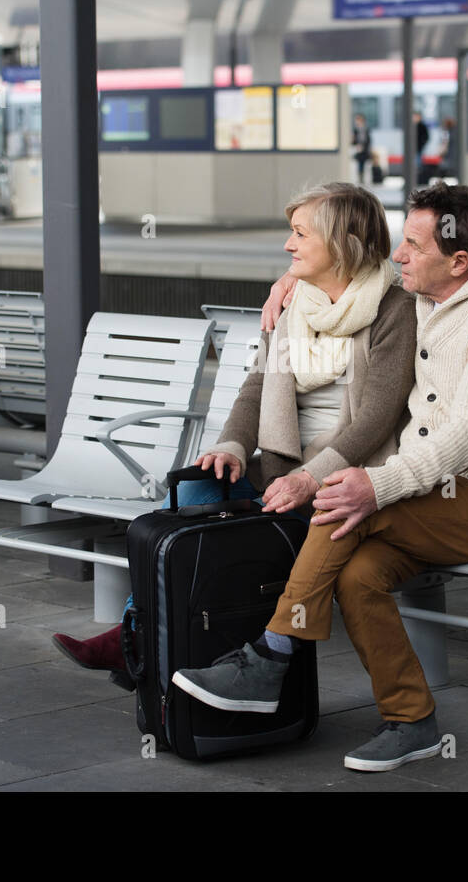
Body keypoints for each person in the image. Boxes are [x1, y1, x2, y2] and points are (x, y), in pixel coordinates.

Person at [173, 184, 468, 773]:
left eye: (412, 245)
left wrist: (378, 485)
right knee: (357, 577)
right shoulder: (431, 297)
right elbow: (351, 275)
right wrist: (287, 284)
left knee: (344, 500)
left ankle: (271, 657)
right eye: (401, 239)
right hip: (427, 496)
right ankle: (412, 722)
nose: (398, 255)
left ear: (458, 261)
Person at [52, 181, 418, 685]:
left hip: (347, 475)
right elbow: (257, 386)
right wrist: (229, 446)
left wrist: (310, 479)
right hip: (282, 464)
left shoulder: (394, 310)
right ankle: (139, 633)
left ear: (343, 244)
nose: (288, 246)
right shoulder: (294, 305)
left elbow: (377, 417)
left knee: (232, 536)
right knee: (196, 488)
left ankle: (153, 646)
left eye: (299, 234)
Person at [351, 114, 371, 185]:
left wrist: (364, 147)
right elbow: (353, 142)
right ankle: (360, 180)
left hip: (365, 151)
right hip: (358, 151)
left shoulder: (366, 129)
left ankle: (363, 180)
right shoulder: (355, 130)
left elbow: (368, 141)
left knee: (364, 165)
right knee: (359, 165)